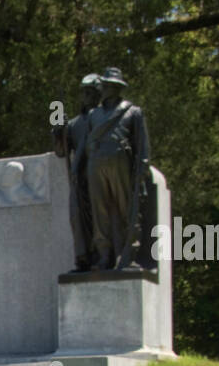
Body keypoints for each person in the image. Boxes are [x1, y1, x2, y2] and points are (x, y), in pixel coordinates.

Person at [85, 67, 150, 270]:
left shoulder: (133, 111)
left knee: (126, 211)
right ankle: (104, 255)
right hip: (96, 163)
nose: (102, 88)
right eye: (103, 85)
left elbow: (142, 146)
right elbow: (86, 143)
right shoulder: (94, 114)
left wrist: (141, 170)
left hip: (120, 162)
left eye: (106, 85)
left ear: (115, 88)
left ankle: (127, 254)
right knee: (100, 213)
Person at [53, 73, 102, 271]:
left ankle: (103, 257)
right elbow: (61, 151)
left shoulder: (105, 119)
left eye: (92, 92)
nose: (87, 96)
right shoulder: (74, 124)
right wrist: (58, 131)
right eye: (85, 92)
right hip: (79, 179)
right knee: (77, 218)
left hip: (99, 178)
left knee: (101, 219)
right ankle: (82, 258)